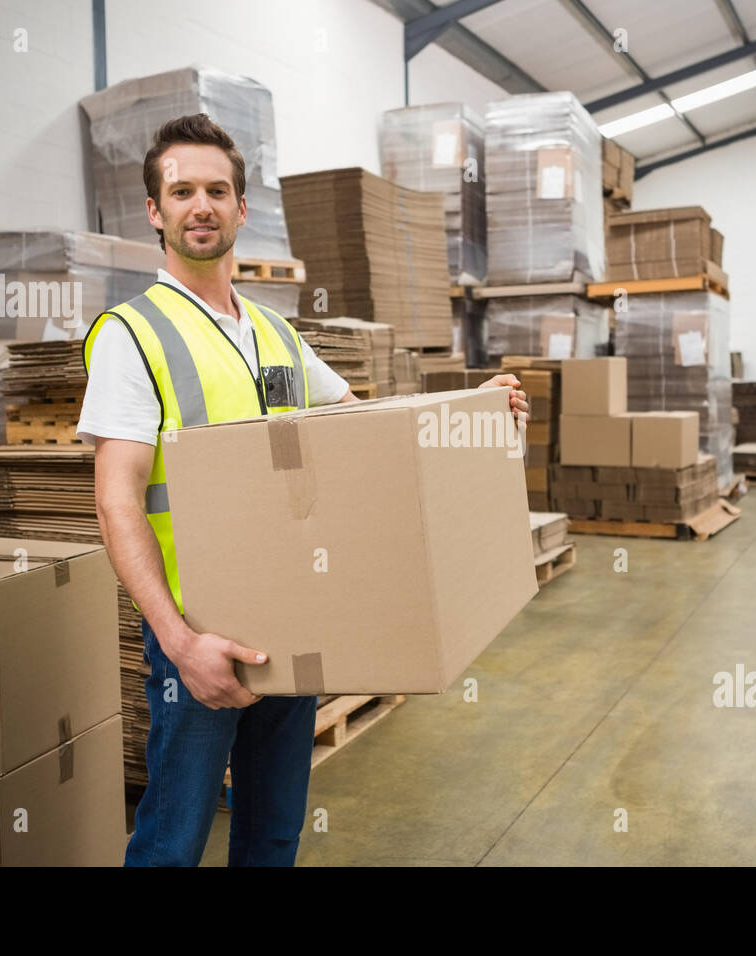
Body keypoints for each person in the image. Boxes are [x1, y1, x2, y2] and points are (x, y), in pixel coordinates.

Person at [75, 113, 529, 866]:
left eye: (217, 190)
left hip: (288, 624)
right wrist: (181, 644)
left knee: (273, 831)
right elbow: (115, 500)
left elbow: (370, 429)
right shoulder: (133, 333)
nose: (202, 206)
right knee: (171, 843)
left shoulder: (276, 333)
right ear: (154, 211)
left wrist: (475, 404)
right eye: (181, 191)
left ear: (242, 209)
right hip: (198, 636)